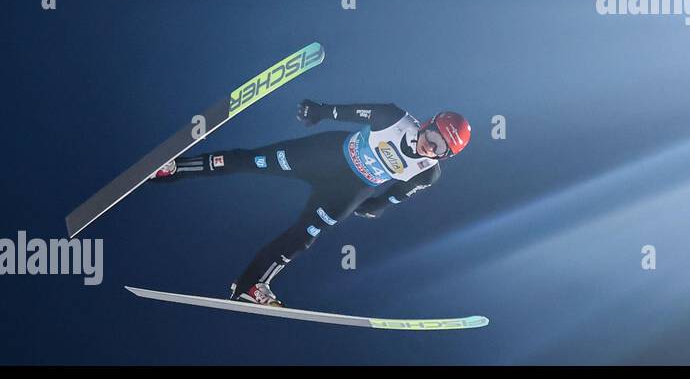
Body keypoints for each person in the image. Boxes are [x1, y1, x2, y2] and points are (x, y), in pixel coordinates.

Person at [150, 100, 470, 306]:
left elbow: (398, 194)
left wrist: (378, 205)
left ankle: (252, 285)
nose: (431, 148)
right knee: (253, 161)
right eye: (434, 137)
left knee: (304, 236)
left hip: (348, 191)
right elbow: (348, 111)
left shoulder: (428, 174)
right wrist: (319, 112)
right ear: (428, 123)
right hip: (324, 156)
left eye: (441, 149)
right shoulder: (393, 117)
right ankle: (175, 168)